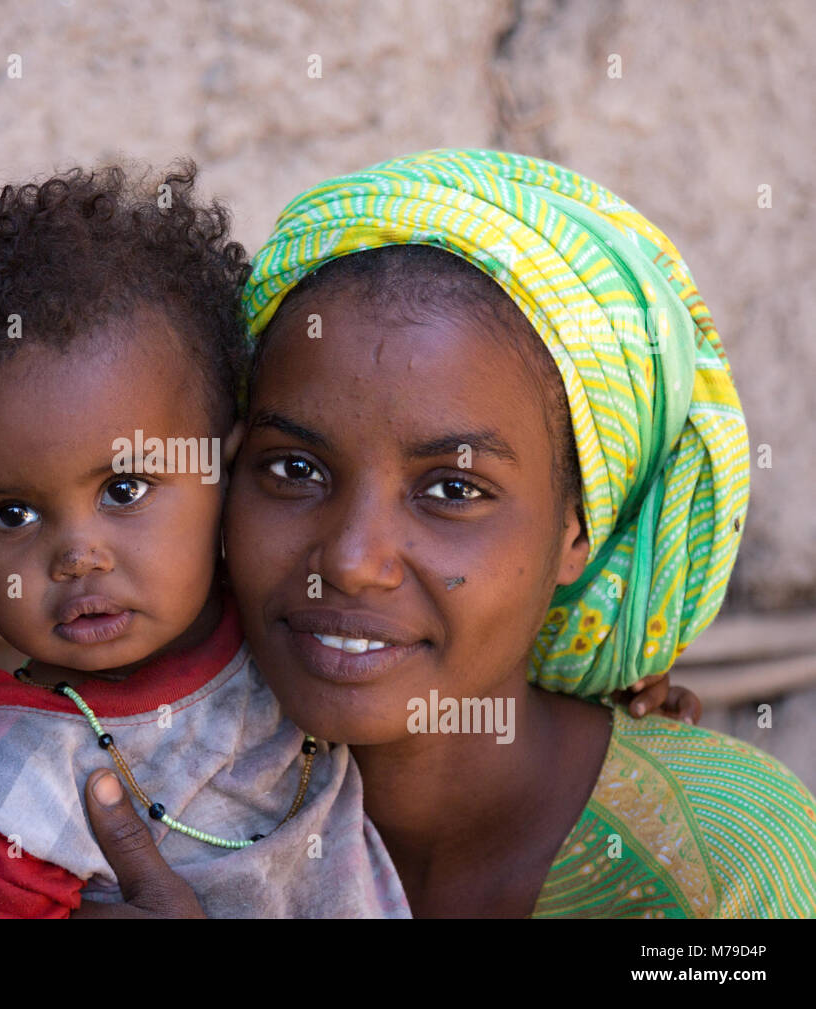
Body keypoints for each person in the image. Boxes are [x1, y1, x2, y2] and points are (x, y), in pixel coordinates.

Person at [84, 149, 816, 917]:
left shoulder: (723, 868)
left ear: (578, 534)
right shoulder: (113, 801)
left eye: (453, 489)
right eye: (295, 470)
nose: (354, 559)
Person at [0, 163, 410, 918]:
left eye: (124, 490)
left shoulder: (289, 628)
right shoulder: (12, 794)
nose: (77, 554)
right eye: (11, 514)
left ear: (225, 473)